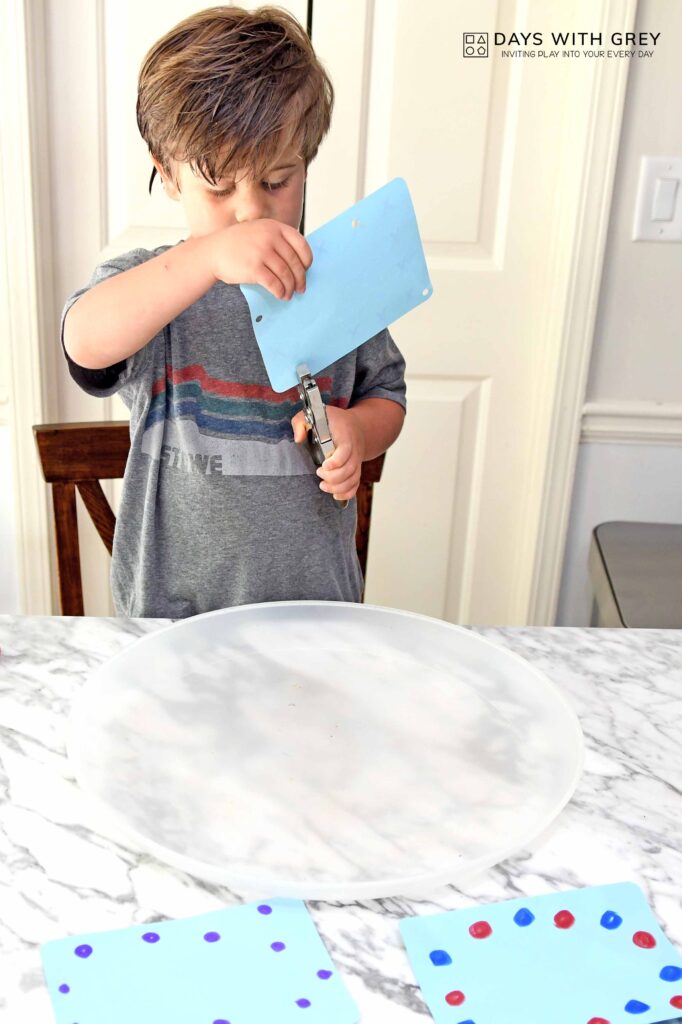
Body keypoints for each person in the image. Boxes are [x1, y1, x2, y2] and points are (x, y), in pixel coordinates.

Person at [62, 5, 406, 619]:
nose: (251, 212)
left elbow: (388, 394)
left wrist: (358, 430)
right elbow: (85, 342)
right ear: (167, 175)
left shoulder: (337, 281)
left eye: (277, 180)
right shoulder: (155, 289)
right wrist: (207, 257)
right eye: (220, 189)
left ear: (305, 162)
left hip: (316, 613)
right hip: (173, 621)